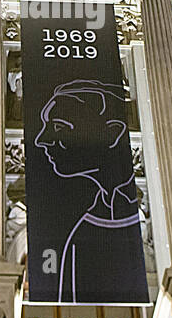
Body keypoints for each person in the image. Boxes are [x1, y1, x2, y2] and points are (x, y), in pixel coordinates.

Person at [33, 79, 145, 303]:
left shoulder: (125, 215)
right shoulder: (83, 228)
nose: (41, 140)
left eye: (58, 127)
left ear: (112, 133)